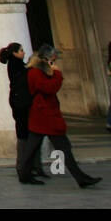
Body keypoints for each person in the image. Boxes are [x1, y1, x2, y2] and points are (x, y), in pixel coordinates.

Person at [17, 45, 101, 188]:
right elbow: (49, 88)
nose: (54, 61)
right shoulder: (35, 73)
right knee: (62, 148)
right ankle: (81, 178)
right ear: (45, 59)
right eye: (52, 58)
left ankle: (24, 175)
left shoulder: (38, 72)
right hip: (45, 116)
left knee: (32, 148)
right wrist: (57, 74)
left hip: (43, 116)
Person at [0, 42, 44, 180]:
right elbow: (24, 80)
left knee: (32, 134)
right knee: (25, 135)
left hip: (22, 102)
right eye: (21, 50)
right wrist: (31, 66)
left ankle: (33, 166)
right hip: (21, 104)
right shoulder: (15, 65)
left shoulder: (18, 65)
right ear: (14, 53)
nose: (24, 52)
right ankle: (24, 167)